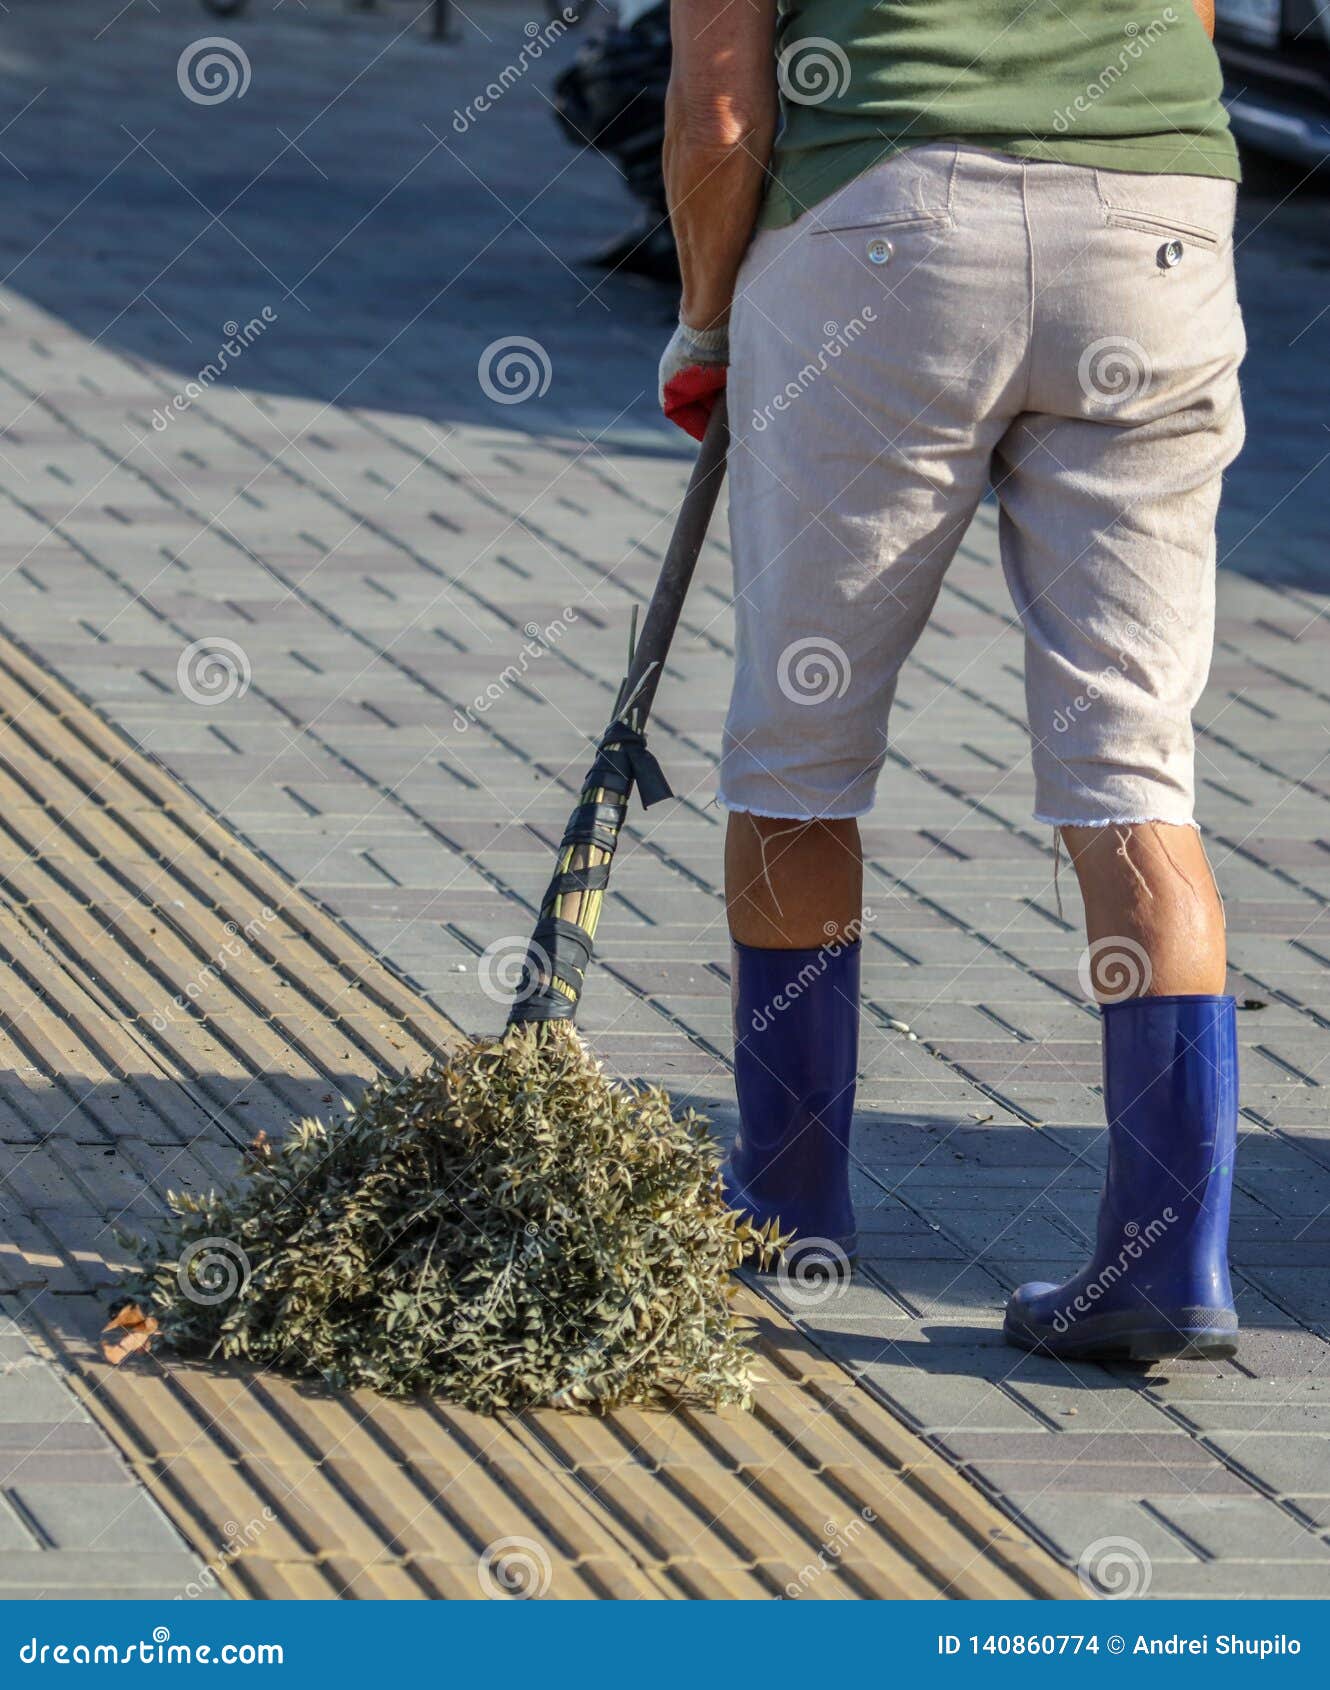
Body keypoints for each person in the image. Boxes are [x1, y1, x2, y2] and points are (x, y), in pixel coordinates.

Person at [658, 0, 1244, 1361]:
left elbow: (721, 111)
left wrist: (706, 328)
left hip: (883, 233)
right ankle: (1169, 1257)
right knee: (1133, 765)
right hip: (1154, 232)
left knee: (796, 756)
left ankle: (786, 1201)